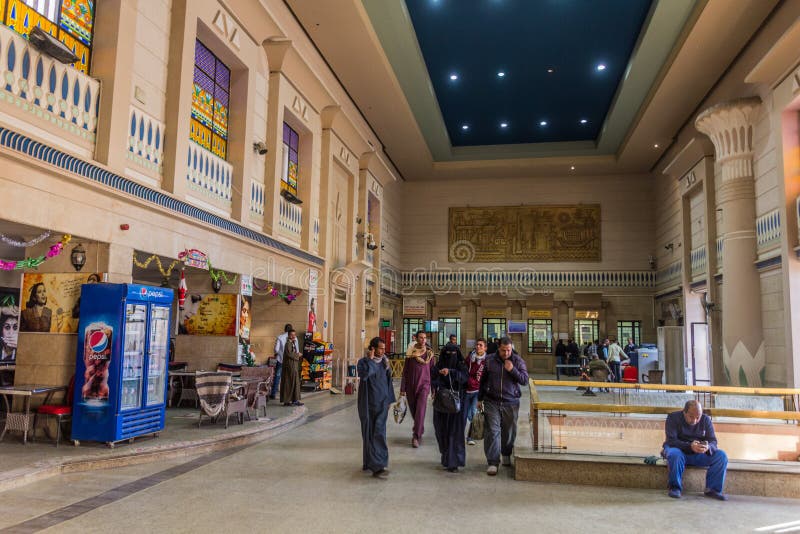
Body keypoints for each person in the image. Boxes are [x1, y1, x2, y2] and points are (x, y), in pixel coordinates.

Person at [478, 336, 529, 475]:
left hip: (510, 402)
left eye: (508, 350)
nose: (506, 353)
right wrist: (479, 398)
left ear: (511, 348)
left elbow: (525, 380)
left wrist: (512, 370)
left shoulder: (517, 361)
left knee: (508, 432)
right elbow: (483, 380)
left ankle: (506, 453)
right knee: (492, 431)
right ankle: (493, 462)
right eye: (503, 350)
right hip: (491, 401)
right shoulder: (489, 360)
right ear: (498, 348)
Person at [663, 400, 728, 500]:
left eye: (698, 417)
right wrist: (690, 446)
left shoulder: (706, 420)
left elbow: (713, 442)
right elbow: (671, 441)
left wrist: (708, 447)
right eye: (691, 417)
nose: (694, 420)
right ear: (684, 412)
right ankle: (675, 488)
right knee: (674, 454)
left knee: (721, 456)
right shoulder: (673, 418)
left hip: (699, 453)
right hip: (679, 451)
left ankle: (713, 490)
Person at [357, 337, 395, 479]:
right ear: (372, 349)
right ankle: (369, 462)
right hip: (368, 404)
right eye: (380, 348)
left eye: (384, 348)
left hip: (382, 403)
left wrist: (390, 399)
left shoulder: (385, 363)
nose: (383, 351)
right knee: (368, 433)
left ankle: (378, 465)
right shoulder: (363, 363)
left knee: (379, 432)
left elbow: (388, 382)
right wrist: (370, 360)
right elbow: (366, 374)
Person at [433, 333, 467, 472]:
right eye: (448, 353)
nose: (450, 355)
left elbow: (464, 378)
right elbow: (433, 377)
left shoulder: (461, 365)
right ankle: (446, 457)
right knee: (441, 430)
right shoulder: (439, 365)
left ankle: (454, 461)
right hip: (441, 403)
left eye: (453, 353)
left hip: (456, 403)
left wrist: (451, 372)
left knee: (455, 432)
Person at [400, 330, 435, 448]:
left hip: (424, 386)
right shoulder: (410, 353)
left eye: (425, 338)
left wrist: (433, 389)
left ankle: (416, 436)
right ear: (416, 338)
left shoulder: (429, 354)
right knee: (415, 412)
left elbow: (432, 372)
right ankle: (420, 428)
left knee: (420, 410)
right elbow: (405, 371)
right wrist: (402, 388)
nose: (423, 340)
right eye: (421, 337)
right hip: (411, 386)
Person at [464, 338, 487, 446]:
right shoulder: (470, 358)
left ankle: (470, 437)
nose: (478, 347)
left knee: (473, 413)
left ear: (485, 348)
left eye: (481, 345)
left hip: (478, 391)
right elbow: (464, 371)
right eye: (477, 345)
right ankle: (459, 436)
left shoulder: (487, 361)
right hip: (467, 390)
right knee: (465, 415)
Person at [279, 329, 303, 406]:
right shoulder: (288, 344)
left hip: (293, 365)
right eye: (292, 335)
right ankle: (287, 400)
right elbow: (289, 354)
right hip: (290, 366)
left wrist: (296, 354)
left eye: (294, 335)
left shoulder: (292, 343)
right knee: (289, 383)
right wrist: (297, 355)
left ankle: (294, 400)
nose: (293, 336)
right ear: (288, 335)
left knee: (294, 382)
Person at [271, 323, 293, 399]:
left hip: (280, 360)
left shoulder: (280, 337)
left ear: (284, 329)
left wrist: (277, 354)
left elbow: (276, 349)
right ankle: (288, 394)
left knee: (277, 377)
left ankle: (273, 393)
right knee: (289, 377)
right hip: (290, 361)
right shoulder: (294, 338)